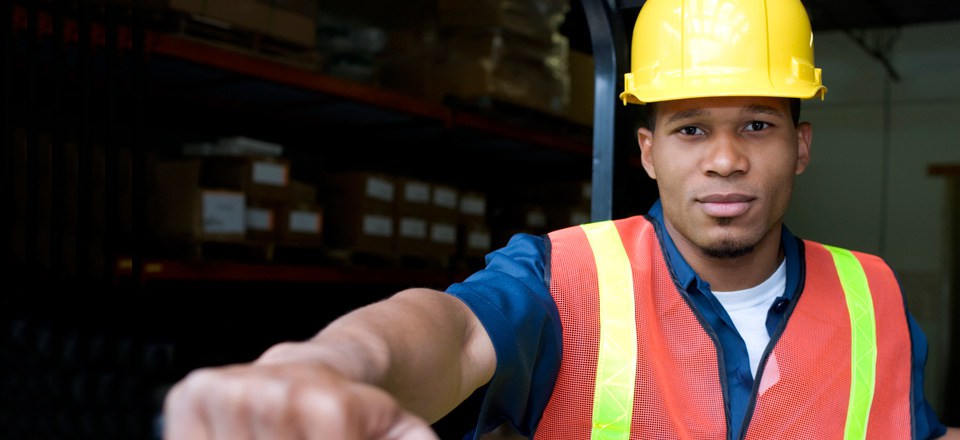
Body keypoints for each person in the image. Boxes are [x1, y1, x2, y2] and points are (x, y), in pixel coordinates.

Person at [162, 0, 960, 438]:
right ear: (646, 151)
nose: (724, 159)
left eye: (757, 124)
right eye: (690, 128)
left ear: (801, 146)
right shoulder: (569, 276)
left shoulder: (875, 295)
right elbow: (450, 329)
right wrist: (328, 365)